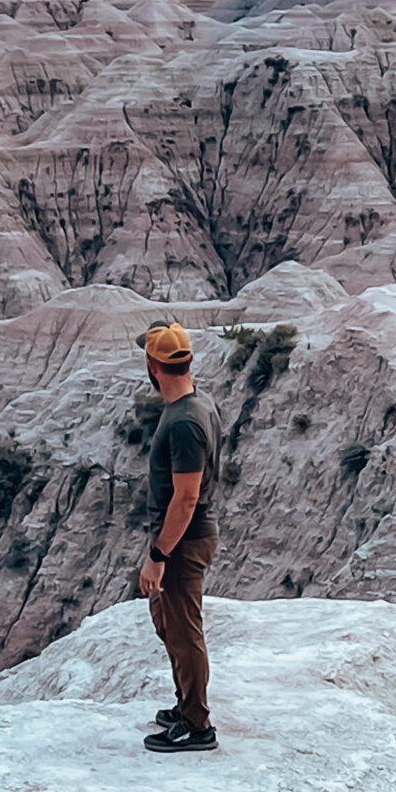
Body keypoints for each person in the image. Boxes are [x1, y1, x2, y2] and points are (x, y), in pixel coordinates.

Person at [137, 322, 220, 752]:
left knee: (184, 630)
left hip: (183, 541)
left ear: (153, 365)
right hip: (182, 539)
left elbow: (186, 499)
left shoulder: (185, 422)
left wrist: (158, 554)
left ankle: (196, 725)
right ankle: (186, 702)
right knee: (168, 621)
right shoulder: (196, 404)